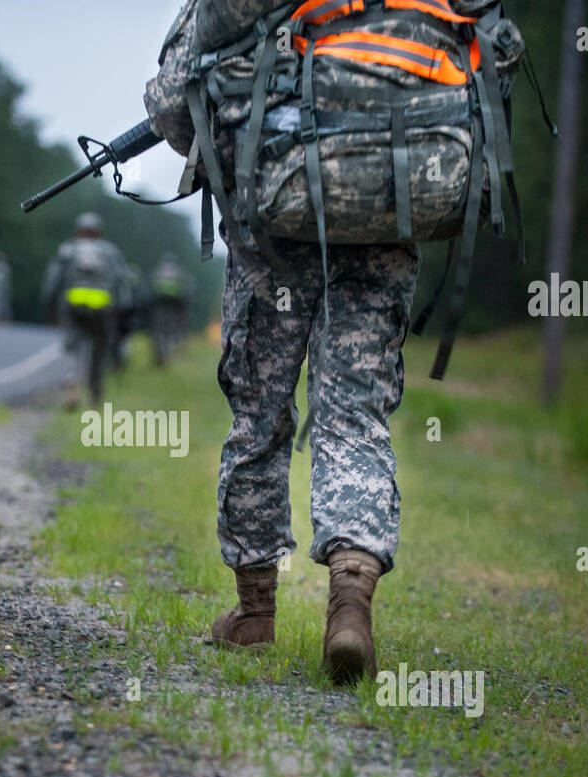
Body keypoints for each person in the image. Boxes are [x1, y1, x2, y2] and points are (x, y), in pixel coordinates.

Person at [145, 2, 420, 684]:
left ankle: (254, 611)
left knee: (261, 413)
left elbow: (174, 104)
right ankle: (351, 602)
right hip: (384, 210)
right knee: (355, 413)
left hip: (273, 219)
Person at [41, 212, 130, 403]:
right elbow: (122, 283)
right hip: (103, 307)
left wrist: (50, 307)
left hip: (73, 305)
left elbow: (52, 282)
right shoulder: (111, 252)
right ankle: (95, 394)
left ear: (78, 231)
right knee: (99, 350)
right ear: (100, 232)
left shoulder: (67, 250)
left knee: (73, 346)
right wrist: (123, 314)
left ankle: (72, 381)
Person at [149, 252, 195, 366]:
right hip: (176, 307)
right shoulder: (180, 272)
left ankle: (161, 353)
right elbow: (188, 289)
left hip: (160, 306)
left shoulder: (159, 271)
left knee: (160, 331)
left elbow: (151, 287)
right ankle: (169, 352)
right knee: (173, 331)